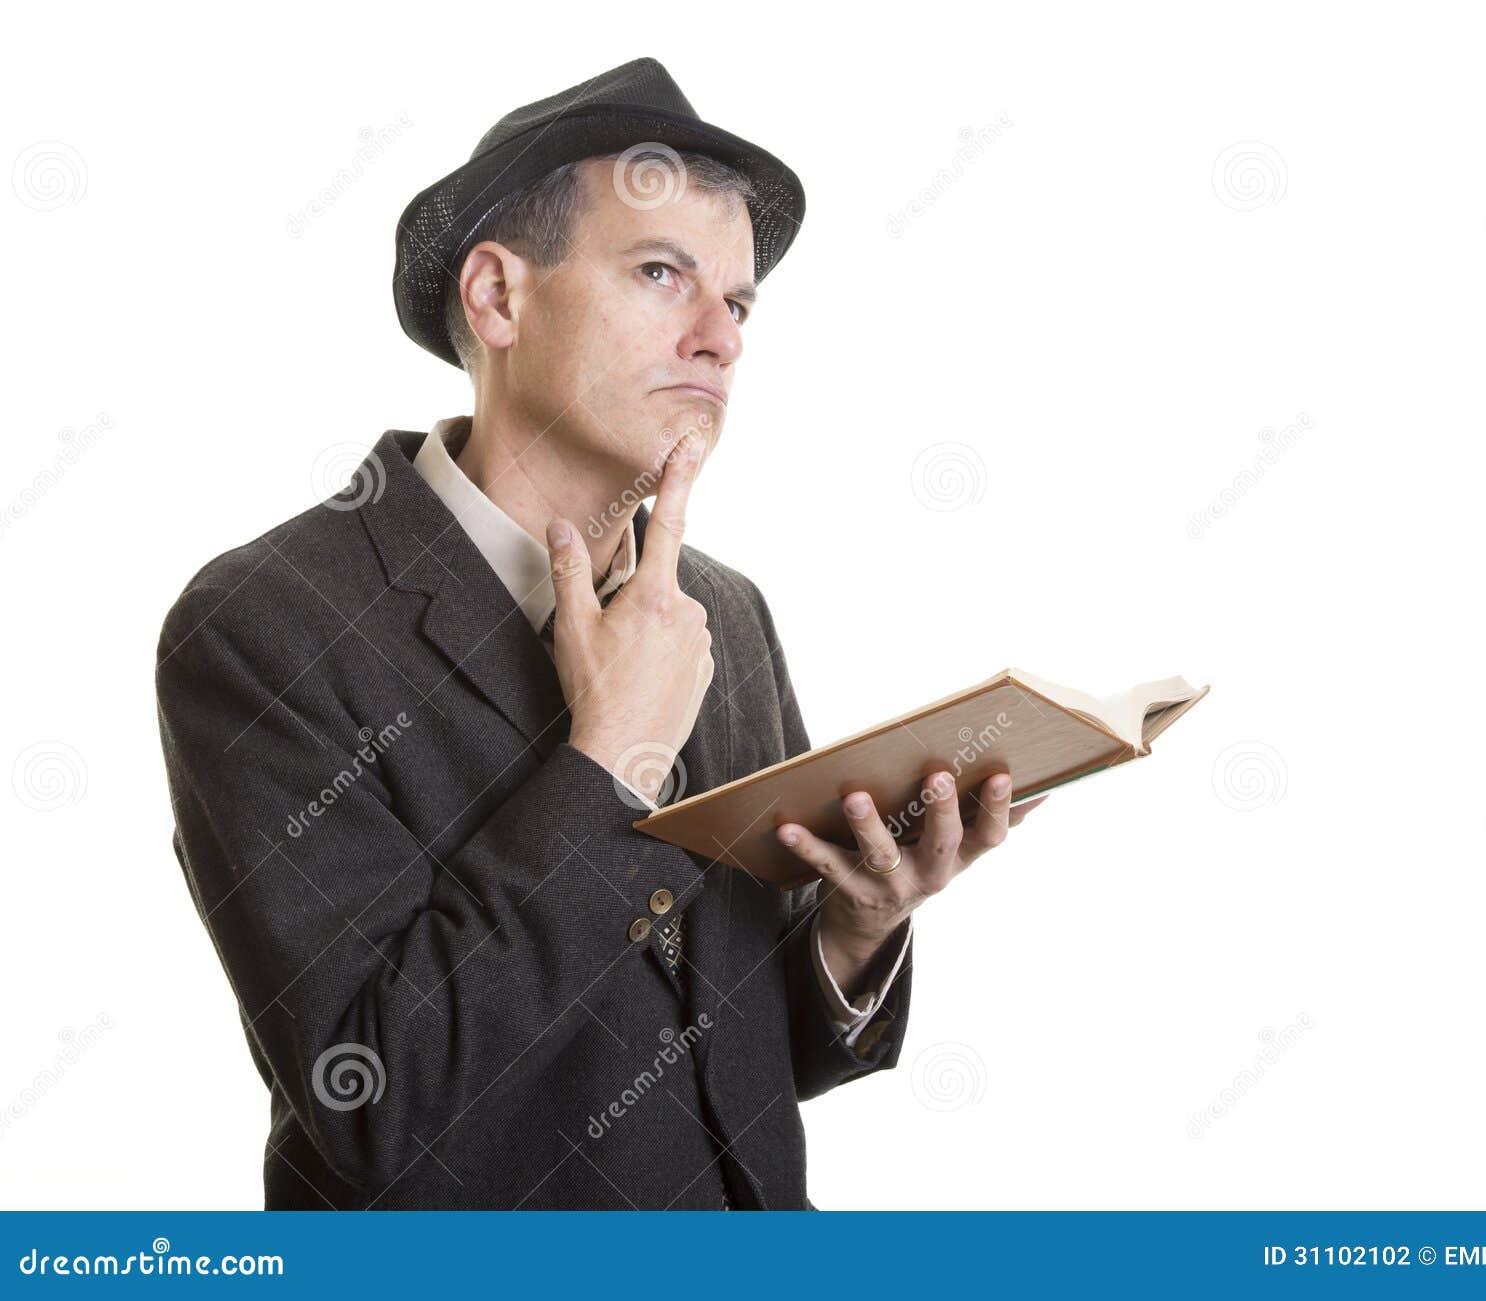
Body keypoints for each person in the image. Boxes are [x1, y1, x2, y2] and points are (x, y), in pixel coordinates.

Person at [154, 56, 1047, 1210]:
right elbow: (375, 1108)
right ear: (498, 297)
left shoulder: (723, 612)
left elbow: (730, 1056)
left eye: (738, 303)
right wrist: (610, 758)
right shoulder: (265, 624)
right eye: (662, 272)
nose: (720, 338)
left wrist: (857, 921)